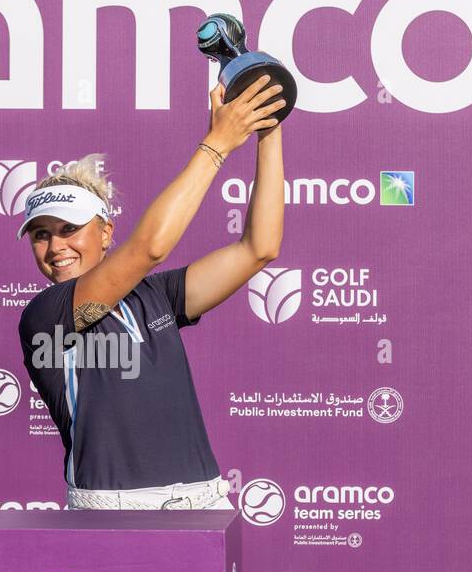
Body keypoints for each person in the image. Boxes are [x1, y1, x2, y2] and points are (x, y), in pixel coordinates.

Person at [16, 74, 286, 509]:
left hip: (203, 501)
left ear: (106, 233)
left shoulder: (156, 294)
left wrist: (267, 132)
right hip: (113, 508)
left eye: (69, 230)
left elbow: (259, 248)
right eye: (41, 235)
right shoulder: (46, 316)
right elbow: (150, 247)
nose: (55, 247)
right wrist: (216, 145)